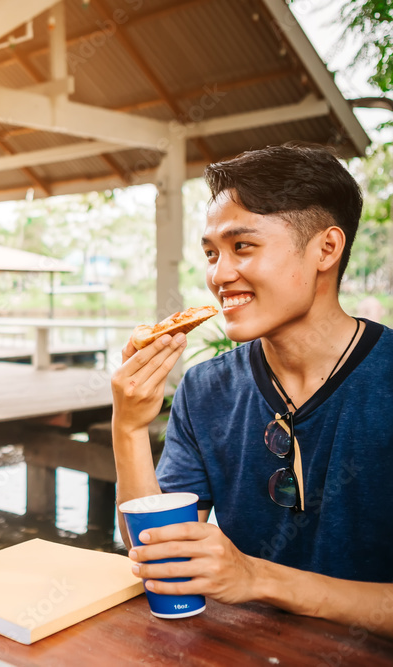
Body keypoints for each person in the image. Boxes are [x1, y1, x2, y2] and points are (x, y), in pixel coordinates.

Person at [111, 143, 393, 635]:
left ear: (327, 248)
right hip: (240, 647)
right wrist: (129, 427)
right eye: (210, 253)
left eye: (242, 247)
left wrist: (258, 577)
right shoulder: (205, 388)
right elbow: (158, 554)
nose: (219, 275)